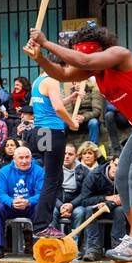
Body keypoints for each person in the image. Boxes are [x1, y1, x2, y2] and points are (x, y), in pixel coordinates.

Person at [26, 21, 132, 261]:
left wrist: (46, 42)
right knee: (122, 175)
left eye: (84, 52)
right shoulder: (93, 71)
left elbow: (86, 62)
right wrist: (40, 57)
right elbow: (60, 73)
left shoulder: (118, 55)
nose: (81, 57)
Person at [27, 65, 80, 238]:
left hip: (40, 132)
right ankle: (42, 225)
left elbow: (50, 104)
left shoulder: (38, 80)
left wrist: (71, 98)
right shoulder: (52, 80)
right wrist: (72, 123)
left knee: (55, 179)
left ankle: (43, 223)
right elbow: (57, 108)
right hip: (52, 132)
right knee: (52, 180)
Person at [0, 144, 43, 258]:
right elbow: (0, 193)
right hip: (11, 206)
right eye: (21, 158)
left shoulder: (39, 171)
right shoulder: (4, 171)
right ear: (14, 159)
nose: (24, 161)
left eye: (27, 157)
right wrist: (11, 201)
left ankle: (38, 248)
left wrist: (28, 201)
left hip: (30, 206)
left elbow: (41, 193)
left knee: (41, 208)